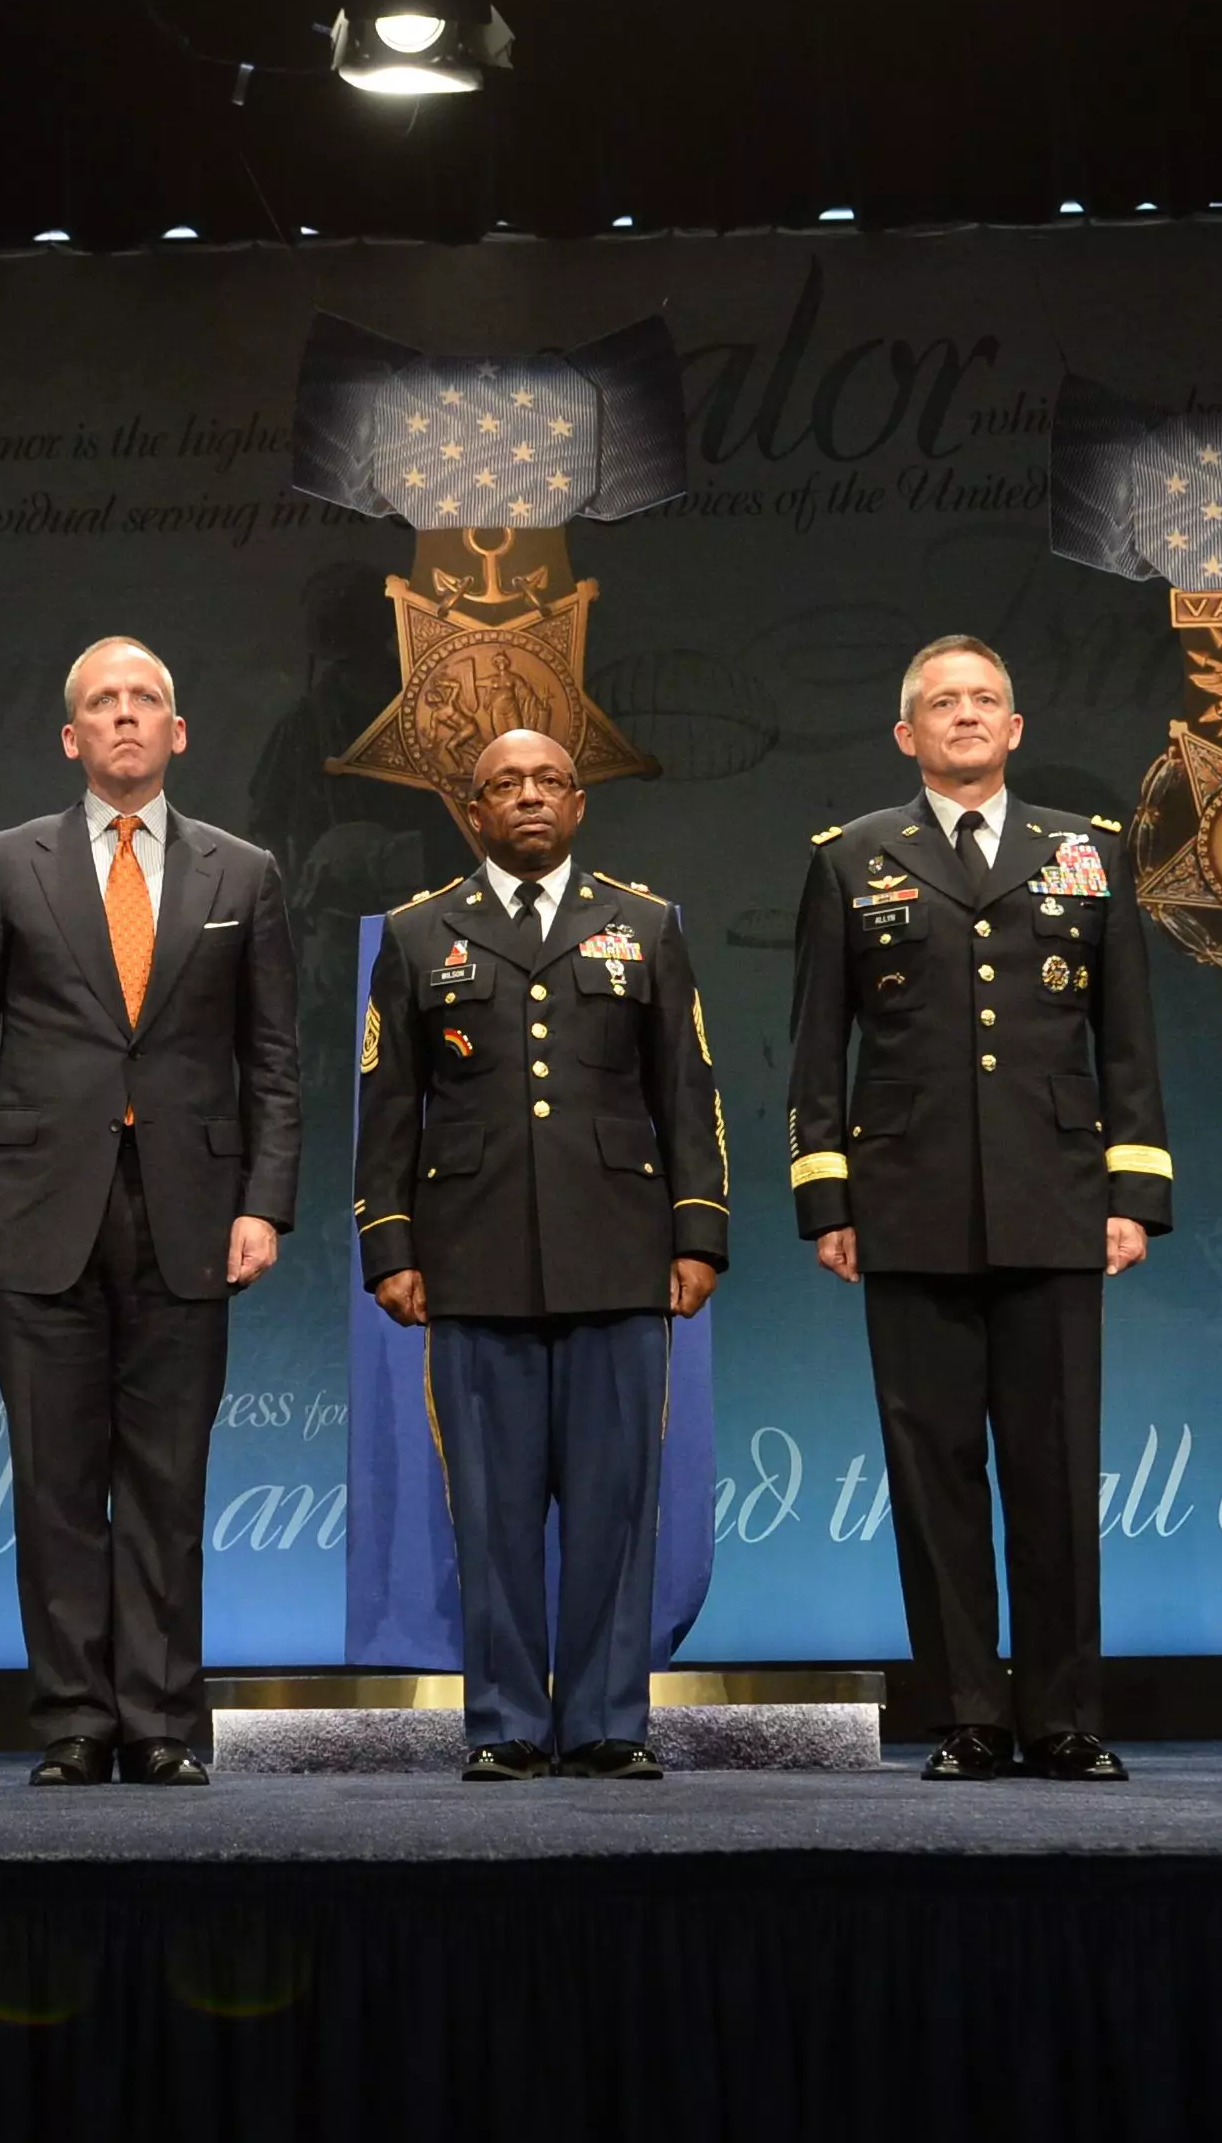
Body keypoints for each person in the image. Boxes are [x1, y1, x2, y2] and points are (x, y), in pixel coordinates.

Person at [785, 635, 1167, 1785]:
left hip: (1055, 1200)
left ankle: (1060, 1714)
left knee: (1053, 1465)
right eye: (939, 703)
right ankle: (965, 1711)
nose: (964, 715)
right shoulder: (852, 857)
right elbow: (816, 1045)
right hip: (905, 1202)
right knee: (931, 1467)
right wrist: (825, 1196)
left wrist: (1131, 1194)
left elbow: (1129, 1041)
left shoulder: (1085, 854)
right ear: (906, 736)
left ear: (1014, 729)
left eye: (983, 699)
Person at [0, 638, 299, 1788]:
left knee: (166, 1480)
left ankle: (161, 1720)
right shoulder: (4, 864)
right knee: (52, 1477)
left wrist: (263, 1203)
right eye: (102, 702)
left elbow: (273, 1060)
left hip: (190, 1210)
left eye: (145, 701)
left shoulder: (244, 873)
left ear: (178, 733)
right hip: (36, 1208)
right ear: (70, 737)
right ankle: (74, 1721)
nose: (125, 716)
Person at [354, 729, 727, 1782]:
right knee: (492, 1506)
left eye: (547, 781)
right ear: (471, 811)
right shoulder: (422, 931)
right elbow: (388, 1108)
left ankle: (608, 1718)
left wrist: (697, 1229)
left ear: (577, 803)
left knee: (614, 1502)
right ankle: (507, 1720)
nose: (526, 796)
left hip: (619, 1251)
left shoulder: (643, 924)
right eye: (502, 783)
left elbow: (685, 1093)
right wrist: (389, 1243)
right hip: (471, 1258)